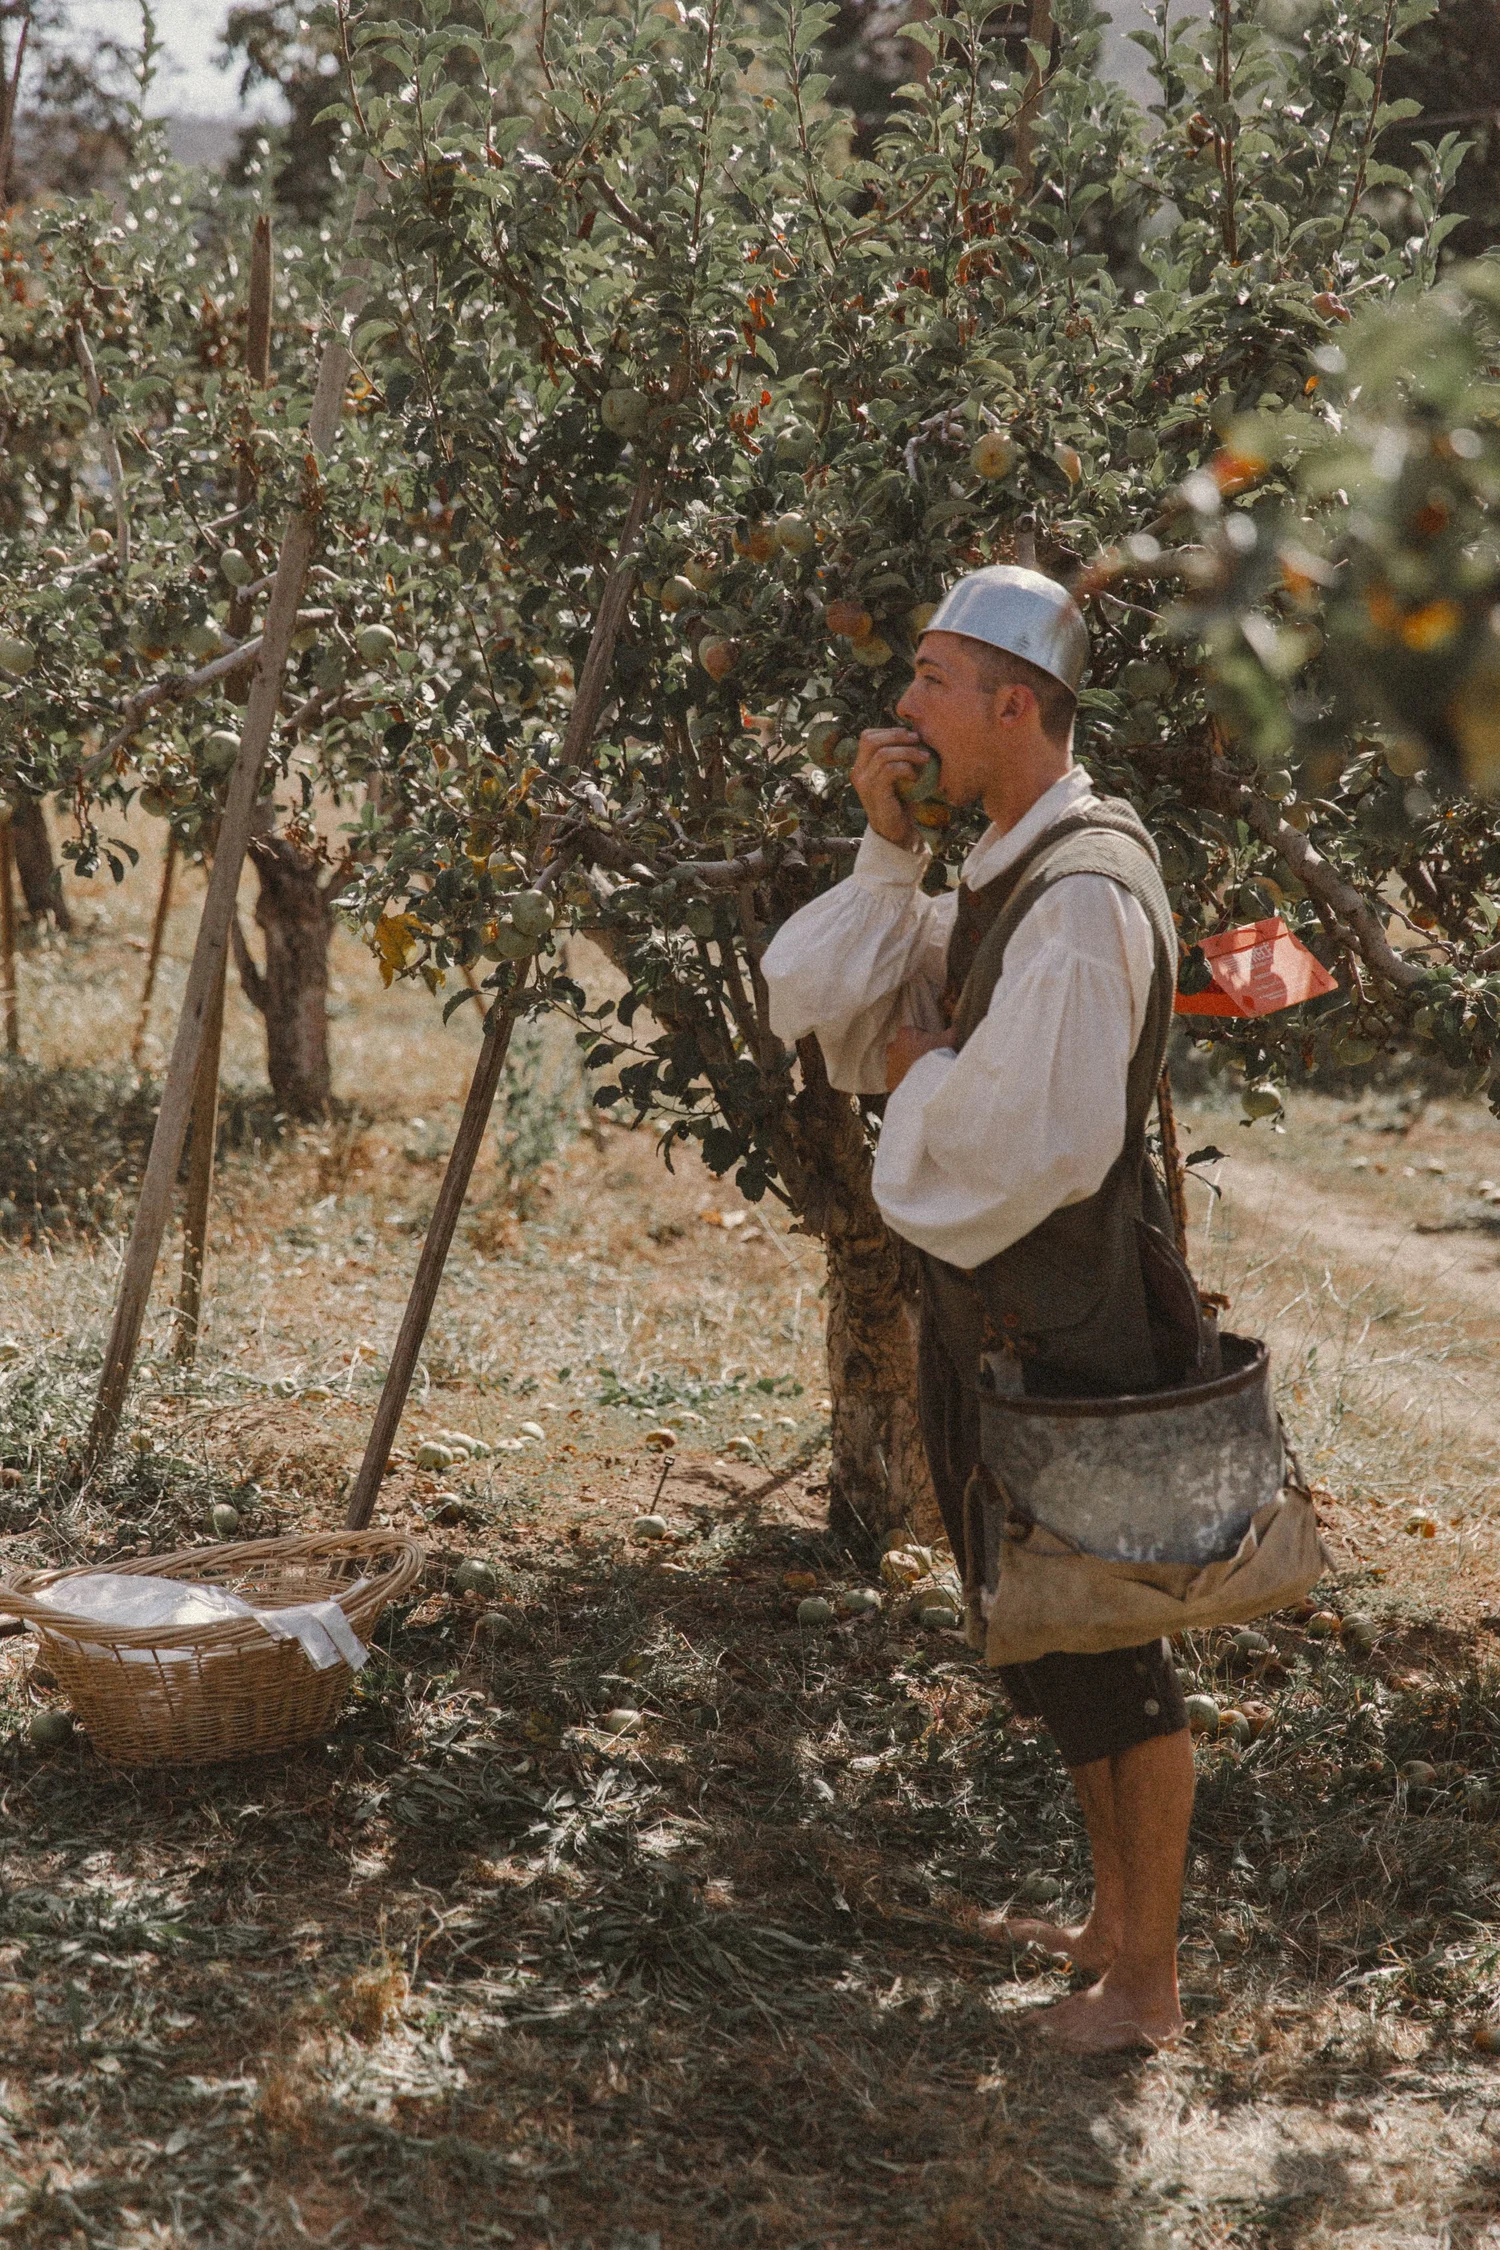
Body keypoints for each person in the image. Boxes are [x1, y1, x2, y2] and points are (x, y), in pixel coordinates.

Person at [762, 565, 1195, 2054]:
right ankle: (1108, 1927)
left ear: (1015, 704)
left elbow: (1038, 1140)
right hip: (1008, 1321)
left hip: (1067, 1324)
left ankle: (1149, 1988)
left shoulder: (1074, 897)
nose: (903, 705)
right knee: (1064, 1640)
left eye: (933, 681)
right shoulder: (1009, 856)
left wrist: (925, 1072)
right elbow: (812, 999)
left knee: (1117, 1657)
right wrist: (891, 862)